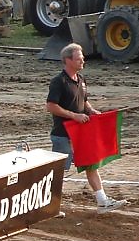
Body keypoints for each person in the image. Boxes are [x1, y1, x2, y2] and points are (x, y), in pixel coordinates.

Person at [46, 43, 128, 214]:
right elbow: (51, 106)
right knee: (59, 171)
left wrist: (91, 110)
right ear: (68, 60)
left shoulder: (81, 80)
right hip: (63, 134)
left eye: (82, 57)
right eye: (79, 58)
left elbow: (83, 101)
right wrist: (74, 116)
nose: (83, 60)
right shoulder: (58, 81)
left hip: (81, 133)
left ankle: (102, 201)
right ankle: (50, 206)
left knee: (91, 165)